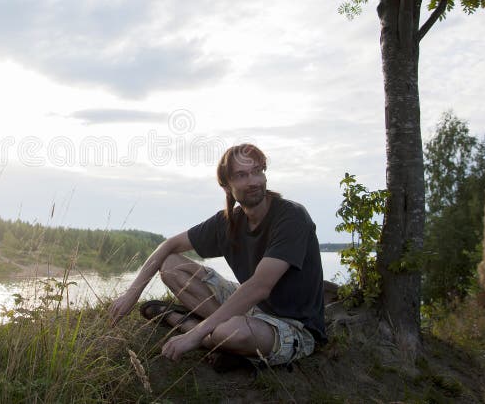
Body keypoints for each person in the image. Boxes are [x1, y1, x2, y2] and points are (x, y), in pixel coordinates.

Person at [108, 143, 326, 369]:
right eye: (241, 175)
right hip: (252, 307)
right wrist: (132, 294)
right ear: (226, 185)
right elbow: (169, 244)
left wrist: (193, 335)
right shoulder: (228, 221)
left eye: (257, 171)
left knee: (233, 333)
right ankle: (220, 340)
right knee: (171, 264)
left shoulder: (292, 217)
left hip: (293, 325)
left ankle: (185, 324)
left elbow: (260, 287)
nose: (253, 181)